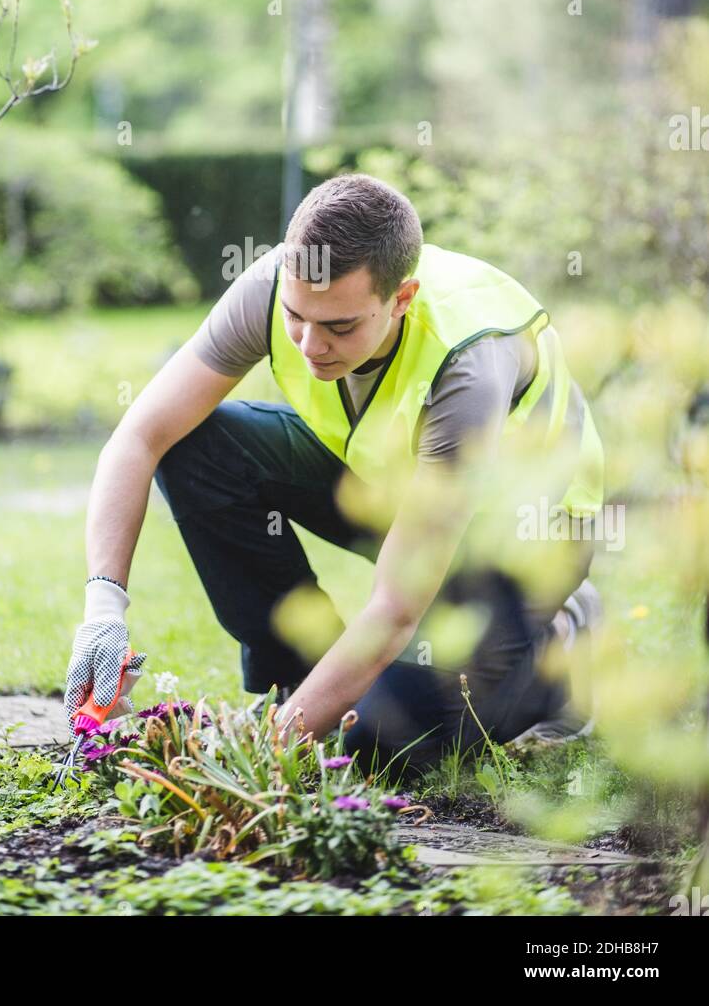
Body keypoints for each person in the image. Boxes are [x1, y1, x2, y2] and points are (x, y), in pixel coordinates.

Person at [64, 173, 605, 779]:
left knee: (383, 745)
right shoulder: (273, 288)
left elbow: (396, 610)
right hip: (389, 487)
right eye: (297, 317)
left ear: (401, 298)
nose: (308, 344)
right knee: (200, 448)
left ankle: (561, 657)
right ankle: (298, 679)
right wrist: (103, 610)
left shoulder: (467, 364)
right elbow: (139, 437)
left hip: (522, 538)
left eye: (340, 327)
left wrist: (262, 754)